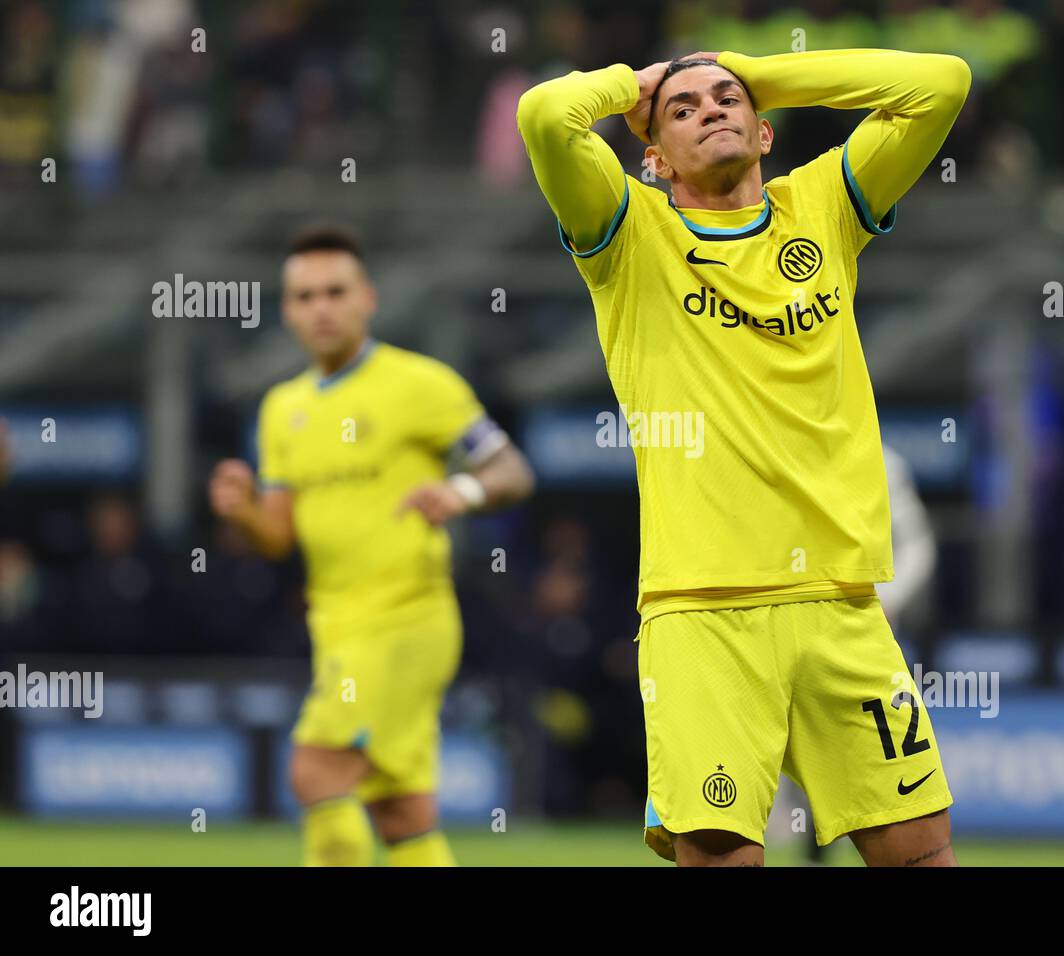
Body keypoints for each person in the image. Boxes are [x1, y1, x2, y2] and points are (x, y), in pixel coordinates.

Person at [518, 47, 970, 866]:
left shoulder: (823, 207)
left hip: (842, 603)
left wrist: (751, 67)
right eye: (683, 111)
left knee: (921, 854)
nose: (712, 110)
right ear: (651, 160)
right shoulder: (629, 235)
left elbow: (941, 84)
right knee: (725, 857)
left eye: (729, 102)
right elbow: (545, 115)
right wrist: (635, 84)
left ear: (764, 131)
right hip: (703, 612)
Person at [209, 226, 534, 865]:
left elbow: (513, 471)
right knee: (401, 813)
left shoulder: (421, 384)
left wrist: (462, 493)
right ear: (286, 311)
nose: (322, 308)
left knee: (315, 771)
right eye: (305, 296)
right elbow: (277, 537)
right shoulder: (281, 408)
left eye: (336, 291)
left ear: (368, 299)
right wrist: (243, 511)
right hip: (337, 624)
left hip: (406, 618)